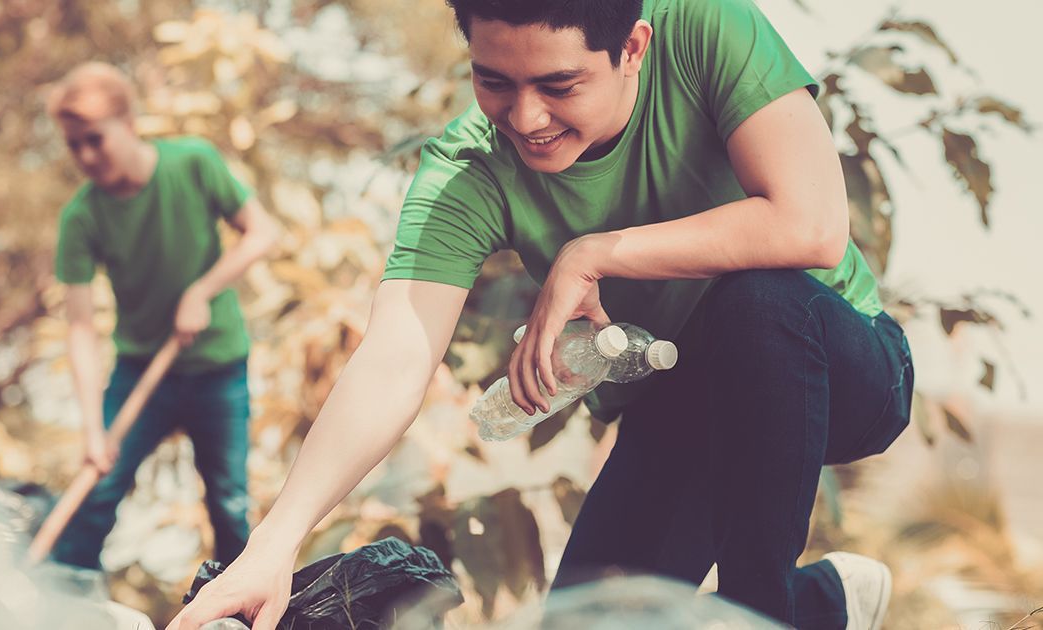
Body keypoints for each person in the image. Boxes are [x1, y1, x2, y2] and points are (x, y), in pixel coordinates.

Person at [169, 0, 913, 628]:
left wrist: (592, 254)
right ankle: (823, 603)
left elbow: (811, 224)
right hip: (682, 411)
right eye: (494, 81)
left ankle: (766, 615)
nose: (526, 118)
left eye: (560, 84)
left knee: (755, 300)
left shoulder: (703, 25)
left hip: (836, 367)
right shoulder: (469, 169)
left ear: (632, 48)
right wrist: (273, 544)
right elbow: (395, 357)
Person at [47, 62, 279, 571]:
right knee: (95, 496)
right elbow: (80, 328)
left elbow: (262, 232)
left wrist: (202, 290)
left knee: (229, 506)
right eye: (74, 145)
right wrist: (93, 429)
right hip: (140, 374)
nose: (86, 156)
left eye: (95, 139)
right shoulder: (82, 217)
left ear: (128, 123)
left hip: (218, 368)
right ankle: (63, 599)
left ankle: (236, 608)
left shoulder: (193, 163)